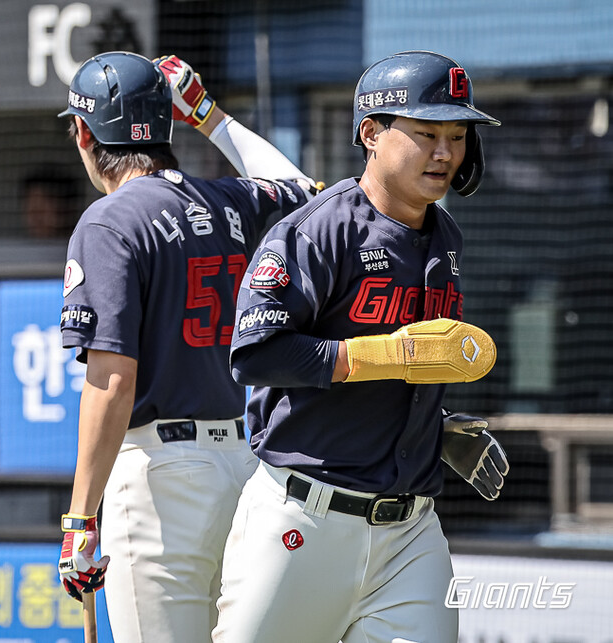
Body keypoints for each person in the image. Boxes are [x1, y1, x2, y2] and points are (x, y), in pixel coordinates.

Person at [212, 50, 510, 643]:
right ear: (371, 133)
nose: (445, 153)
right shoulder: (319, 229)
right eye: (427, 133)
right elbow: (256, 352)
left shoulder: (446, 234)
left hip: (411, 533)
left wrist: (432, 427)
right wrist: (381, 357)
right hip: (303, 519)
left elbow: (411, 361)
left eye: (457, 136)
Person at [55, 51, 320, 642]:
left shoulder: (107, 221)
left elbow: (112, 381)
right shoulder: (228, 202)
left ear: (84, 133)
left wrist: (80, 517)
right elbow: (308, 193)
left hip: (158, 479)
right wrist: (211, 117)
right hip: (242, 469)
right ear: (168, 123)